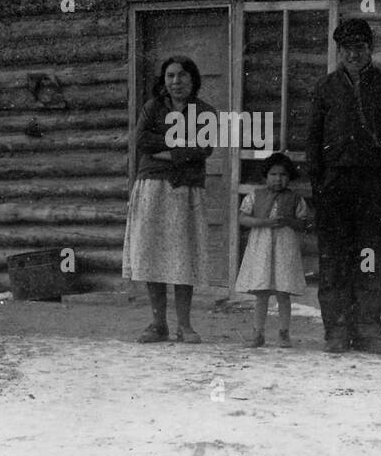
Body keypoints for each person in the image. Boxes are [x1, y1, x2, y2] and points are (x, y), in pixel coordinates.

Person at [306, 17, 381, 354]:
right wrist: (319, 186)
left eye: (359, 47)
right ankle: (335, 331)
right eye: (347, 48)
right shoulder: (325, 88)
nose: (353, 54)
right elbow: (312, 141)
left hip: (370, 189)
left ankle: (367, 332)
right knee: (333, 261)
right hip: (334, 188)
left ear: (370, 49)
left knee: (366, 259)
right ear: (339, 51)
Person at [123, 55, 216, 343]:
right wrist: (179, 147)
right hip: (152, 189)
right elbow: (141, 143)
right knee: (154, 254)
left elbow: (203, 149)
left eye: (182, 75)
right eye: (170, 76)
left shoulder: (205, 112)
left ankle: (184, 325)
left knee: (182, 255)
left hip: (185, 191)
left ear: (193, 79)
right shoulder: (152, 109)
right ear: (164, 81)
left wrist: (164, 150)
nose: (176, 81)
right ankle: (157, 324)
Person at [235, 152, 310, 348]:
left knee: (283, 291)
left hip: (284, 246)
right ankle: (257, 333)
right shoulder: (255, 196)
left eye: (283, 175)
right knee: (262, 292)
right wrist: (262, 222)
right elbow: (242, 218)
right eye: (273, 174)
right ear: (266, 176)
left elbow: (303, 223)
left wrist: (289, 221)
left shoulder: (295, 199)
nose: (278, 179)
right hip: (262, 245)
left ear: (290, 177)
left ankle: (284, 333)